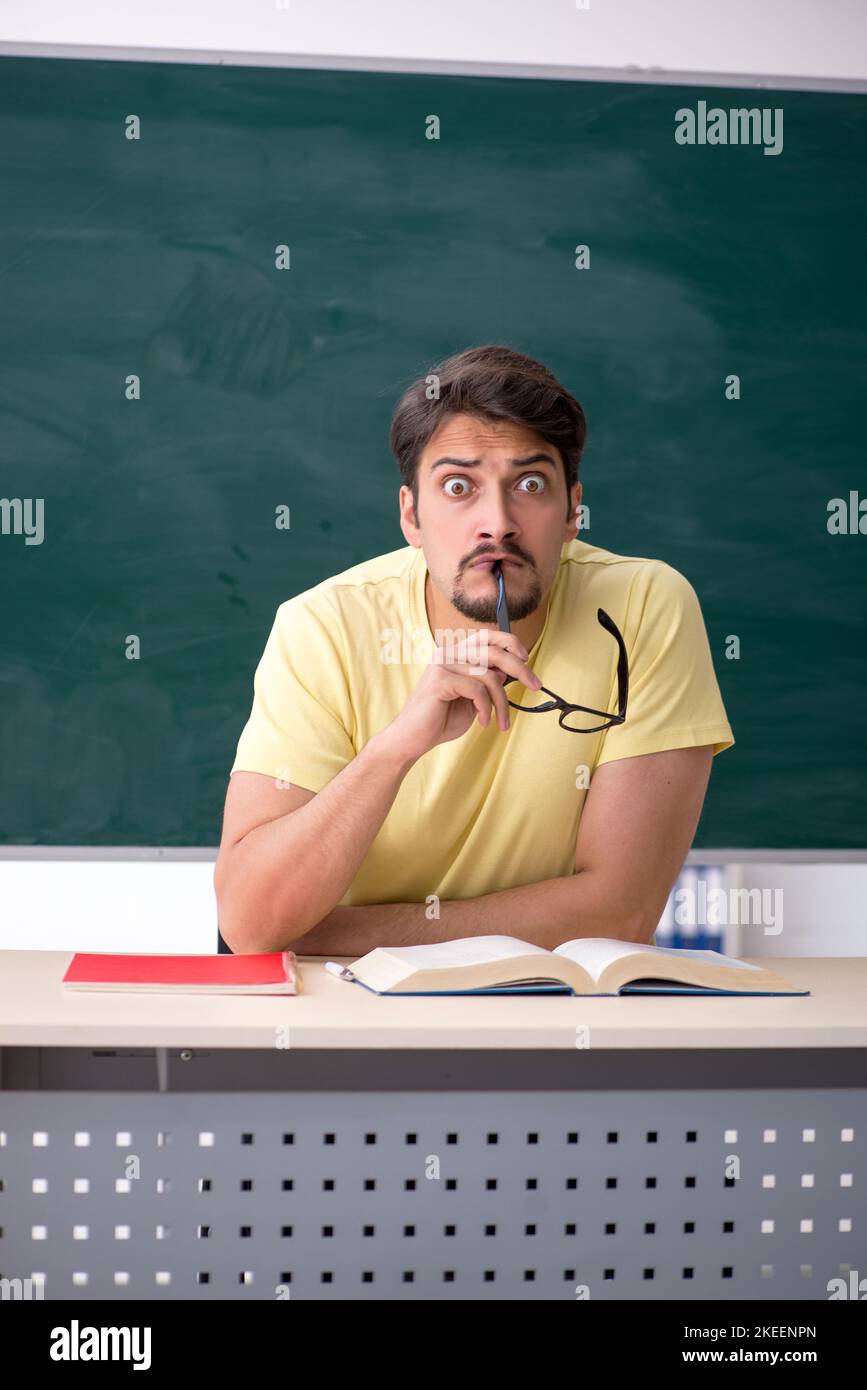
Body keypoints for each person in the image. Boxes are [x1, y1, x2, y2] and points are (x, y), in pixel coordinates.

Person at [215, 345, 734, 955]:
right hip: (345, 1015)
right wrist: (395, 748)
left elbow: (618, 913)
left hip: (552, 1017)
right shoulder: (320, 626)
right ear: (411, 516)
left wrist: (332, 936)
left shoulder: (645, 606)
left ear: (572, 511)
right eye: (458, 485)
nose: (498, 521)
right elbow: (249, 922)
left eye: (531, 483)